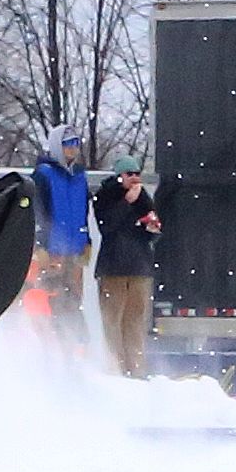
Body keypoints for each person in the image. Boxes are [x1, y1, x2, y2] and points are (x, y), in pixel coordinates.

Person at [92, 155, 161, 376]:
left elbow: (150, 229)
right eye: (129, 174)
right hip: (113, 269)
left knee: (135, 322)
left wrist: (151, 229)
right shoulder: (105, 196)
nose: (134, 178)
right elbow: (107, 227)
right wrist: (126, 203)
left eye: (137, 174)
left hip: (139, 269)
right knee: (113, 321)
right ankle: (115, 369)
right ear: (119, 176)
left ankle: (136, 369)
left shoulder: (143, 197)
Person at [30, 124, 93, 337]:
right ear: (57, 146)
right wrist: (40, 243)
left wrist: (87, 240)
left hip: (74, 249)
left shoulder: (79, 176)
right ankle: (50, 350)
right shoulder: (44, 175)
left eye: (76, 144)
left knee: (74, 301)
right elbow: (37, 210)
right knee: (49, 299)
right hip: (52, 248)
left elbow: (83, 211)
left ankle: (72, 351)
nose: (73, 149)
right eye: (68, 144)